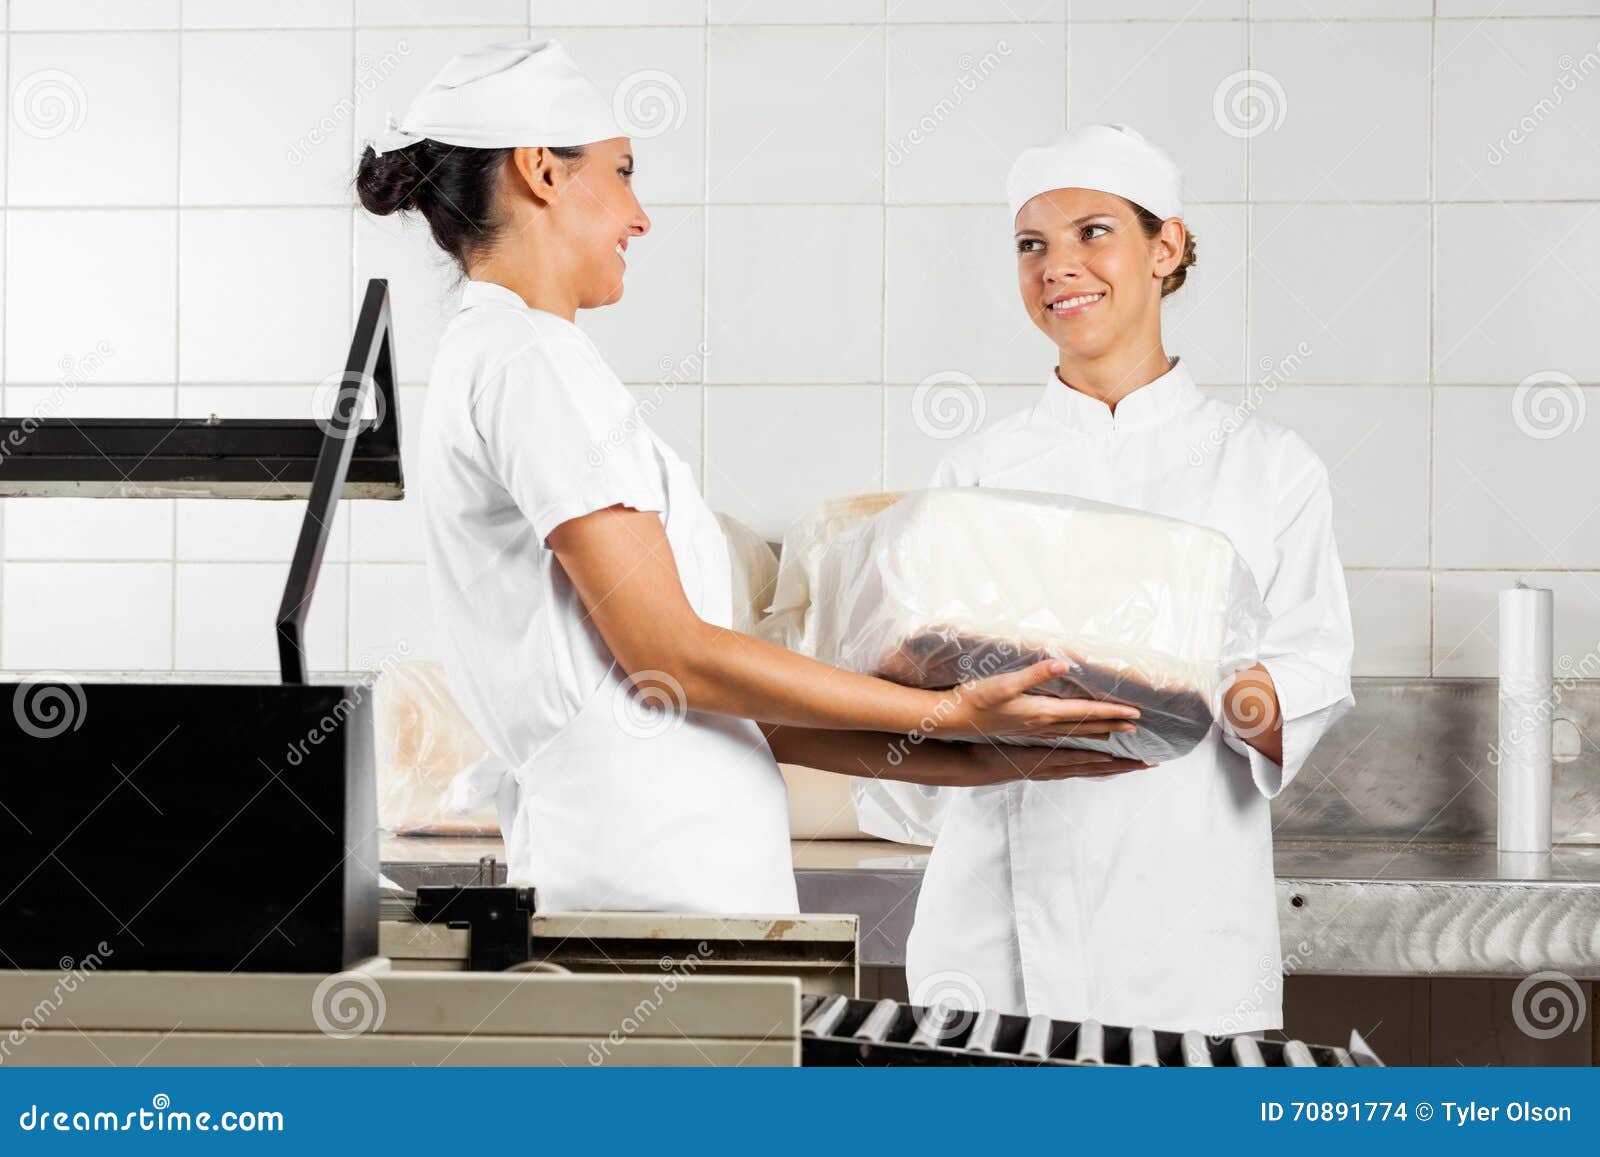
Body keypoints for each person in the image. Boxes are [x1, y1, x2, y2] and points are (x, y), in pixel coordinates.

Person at [354, 41, 1145, 916]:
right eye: (622, 172)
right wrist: (953, 713)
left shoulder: (503, 354)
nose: (639, 215)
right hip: (652, 887)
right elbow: (673, 656)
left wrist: (969, 747)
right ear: (541, 169)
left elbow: (715, 699)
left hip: (660, 872)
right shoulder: (531, 359)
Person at [905, 124, 1355, 1035]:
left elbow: (1314, 666)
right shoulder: (977, 471)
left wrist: (1226, 685)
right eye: (1032, 245)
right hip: (993, 936)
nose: (1057, 266)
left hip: (1185, 932)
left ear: (1167, 246)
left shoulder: (1267, 467)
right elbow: (917, 695)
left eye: (1093, 232)